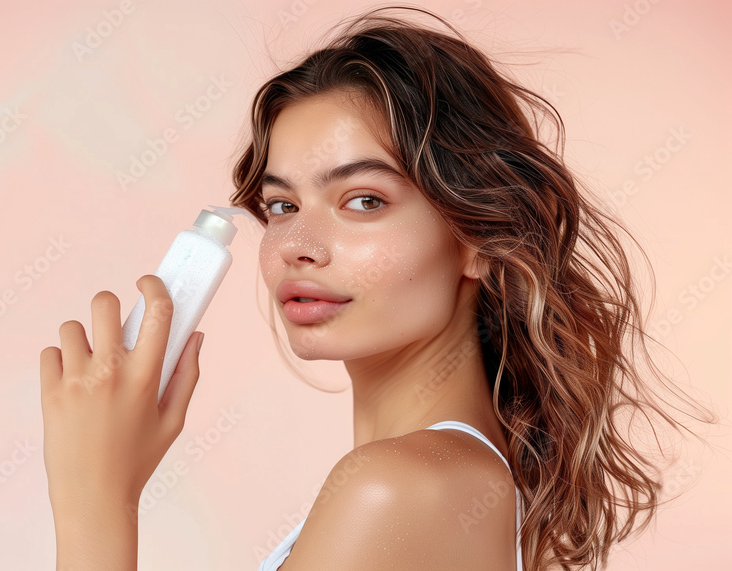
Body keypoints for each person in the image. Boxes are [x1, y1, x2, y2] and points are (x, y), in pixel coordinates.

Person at [39, 5, 716, 570]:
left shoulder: (395, 489)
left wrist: (96, 497)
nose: (297, 245)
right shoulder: (447, 480)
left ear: (479, 235)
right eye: (281, 205)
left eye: (363, 200)